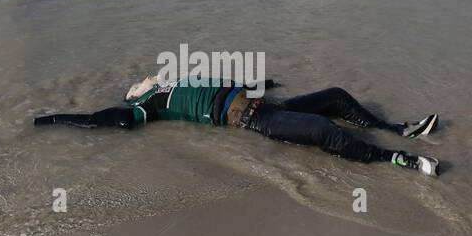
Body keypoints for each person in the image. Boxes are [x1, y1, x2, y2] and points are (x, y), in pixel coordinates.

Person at [33, 75, 440, 175]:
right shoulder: (146, 105)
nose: (145, 79)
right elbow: (98, 121)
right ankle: (399, 158)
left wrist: (263, 83)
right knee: (320, 130)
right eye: (137, 84)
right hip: (256, 120)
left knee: (335, 95)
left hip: (267, 102)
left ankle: (396, 128)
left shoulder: (177, 78)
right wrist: (49, 120)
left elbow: (231, 82)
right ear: (133, 93)